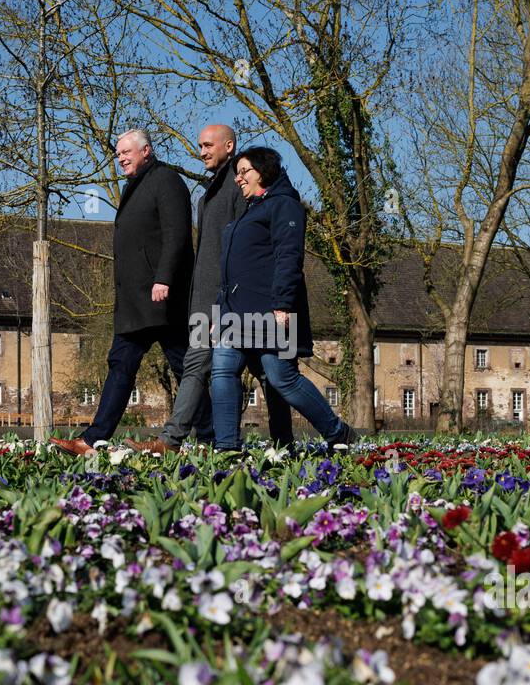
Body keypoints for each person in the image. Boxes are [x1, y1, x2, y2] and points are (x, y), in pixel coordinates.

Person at [129, 125, 292, 454]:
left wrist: (230, 300)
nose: (201, 151)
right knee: (223, 367)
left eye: (207, 145)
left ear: (229, 146)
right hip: (207, 300)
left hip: (226, 302)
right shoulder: (210, 192)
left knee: (265, 372)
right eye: (199, 145)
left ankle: (179, 440)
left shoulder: (237, 187)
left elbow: (248, 248)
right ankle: (202, 441)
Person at [50, 129, 205, 456]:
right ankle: (91, 441)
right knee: (120, 364)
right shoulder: (135, 186)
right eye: (118, 153)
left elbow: (178, 233)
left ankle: (213, 437)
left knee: (183, 366)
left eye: (126, 152)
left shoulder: (166, 181)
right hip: (135, 302)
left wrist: (164, 278)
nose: (120, 157)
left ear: (146, 150)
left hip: (161, 298)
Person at [210, 146, 356, 451]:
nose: (238, 179)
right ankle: (225, 449)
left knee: (282, 378)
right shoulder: (250, 210)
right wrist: (218, 313)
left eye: (244, 172)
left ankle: (338, 432)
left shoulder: (285, 206)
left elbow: (289, 256)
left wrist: (282, 303)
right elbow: (232, 271)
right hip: (234, 313)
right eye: (236, 173)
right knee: (222, 369)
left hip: (269, 309)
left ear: (263, 171)